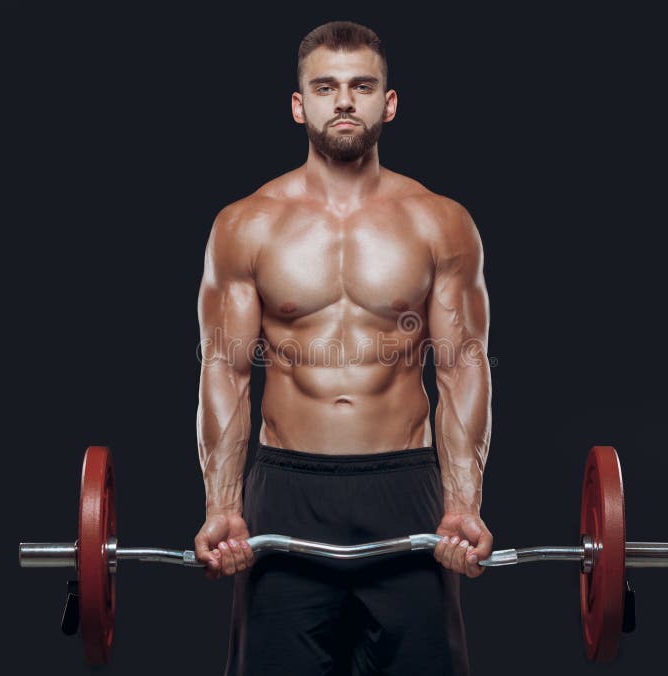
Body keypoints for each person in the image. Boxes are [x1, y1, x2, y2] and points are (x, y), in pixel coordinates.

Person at [194, 20, 493, 676]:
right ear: (299, 105)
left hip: (404, 485)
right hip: (286, 487)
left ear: (389, 102)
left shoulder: (439, 221)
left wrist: (463, 503)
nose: (344, 101)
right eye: (326, 87)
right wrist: (222, 506)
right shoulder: (246, 224)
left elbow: (463, 367)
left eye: (362, 85)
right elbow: (224, 370)